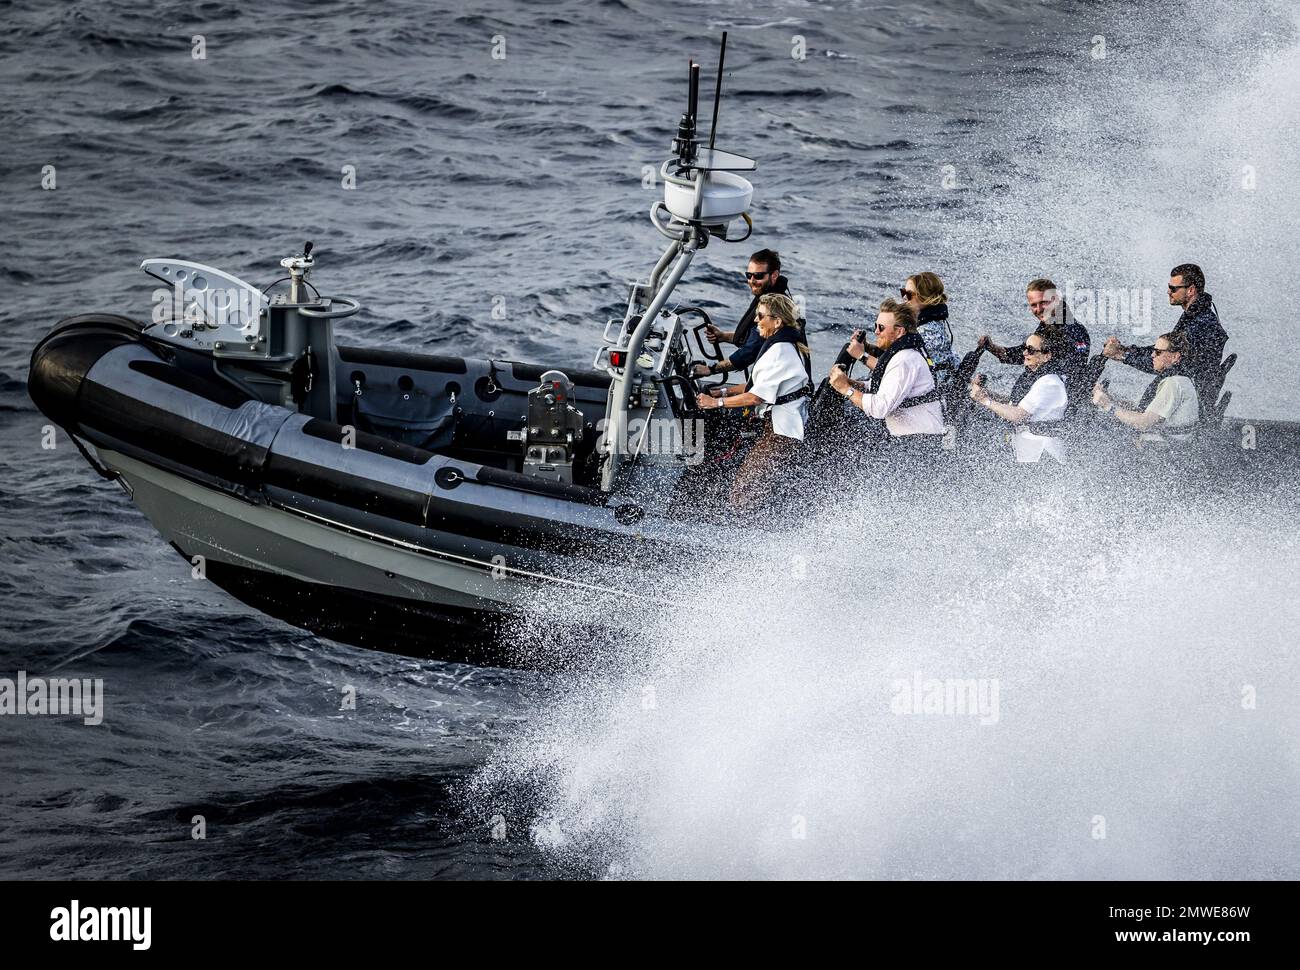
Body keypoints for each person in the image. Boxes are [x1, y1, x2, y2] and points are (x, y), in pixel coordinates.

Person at [694, 293, 811, 505]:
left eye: (761, 315)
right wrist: (723, 392)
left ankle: (745, 532)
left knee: (743, 491)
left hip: (781, 432)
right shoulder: (784, 344)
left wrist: (715, 403)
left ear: (777, 321)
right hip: (780, 426)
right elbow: (758, 386)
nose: (756, 320)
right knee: (751, 485)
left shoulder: (780, 351)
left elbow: (756, 397)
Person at [1101, 263, 1227, 417]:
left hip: (1181, 411)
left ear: (1191, 290)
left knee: (1107, 413)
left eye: (1173, 288)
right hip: (1176, 404)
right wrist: (1125, 350)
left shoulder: (1201, 325)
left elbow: (1163, 360)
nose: (1168, 291)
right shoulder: (1195, 315)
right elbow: (1162, 352)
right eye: (1169, 286)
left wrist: (1122, 356)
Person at [826, 298, 946, 445]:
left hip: (919, 442)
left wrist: (846, 389)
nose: (876, 332)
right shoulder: (901, 354)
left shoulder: (904, 360)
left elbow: (880, 408)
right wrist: (852, 383)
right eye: (875, 325)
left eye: (881, 327)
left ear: (899, 331)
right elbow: (884, 386)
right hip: (910, 437)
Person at [977, 277, 1091, 405]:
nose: (1038, 309)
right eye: (1033, 305)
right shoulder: (1051, 322)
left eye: (1043, 303)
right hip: (1031, 405)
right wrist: (992, 348)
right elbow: (1027, 353)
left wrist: (994, 402)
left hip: (1050, 412)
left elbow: (1070, 372)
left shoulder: (1072, 331)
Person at [693, 249, 801, 380]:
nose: (752, 280)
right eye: (749, 275)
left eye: (759, 276)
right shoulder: (767, 294)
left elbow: (749, 352)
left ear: (774, 275)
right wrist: (724, 336)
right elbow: (757, 337)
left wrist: (710, 369)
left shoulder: (772, 306)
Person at [968, 330, 1068, 464]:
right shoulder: (1034, 376)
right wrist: (988, 394)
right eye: (1025, 348)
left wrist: (984, 400)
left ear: (1046, 356)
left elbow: (1018, 415)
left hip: (1043, 455)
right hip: (1029, 452)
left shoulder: (1049, 383)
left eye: (1031, 350)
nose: (1024, 353)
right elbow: (1015, 403)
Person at [1092, 332, 1200, 447]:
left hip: (1166, 452)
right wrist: (1109, 399)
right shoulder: (1179, 378)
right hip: (1167, 446)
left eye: (1158, 352)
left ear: (1175, 357)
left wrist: (1109, 406)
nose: (1152, 355)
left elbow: (1144, 423)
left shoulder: (1174, 383)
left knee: (1097, 432)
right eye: (1154, 350)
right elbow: (1141, 410)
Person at [856, 272, 960, 381]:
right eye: (903, 292)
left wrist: (861, 356)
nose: (904, 297)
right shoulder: (923, 324)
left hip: (930, 390)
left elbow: (895, 369)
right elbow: (894, 354)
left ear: (925, 298)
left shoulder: (928, 333)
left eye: (909, 294)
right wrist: (867, 348)